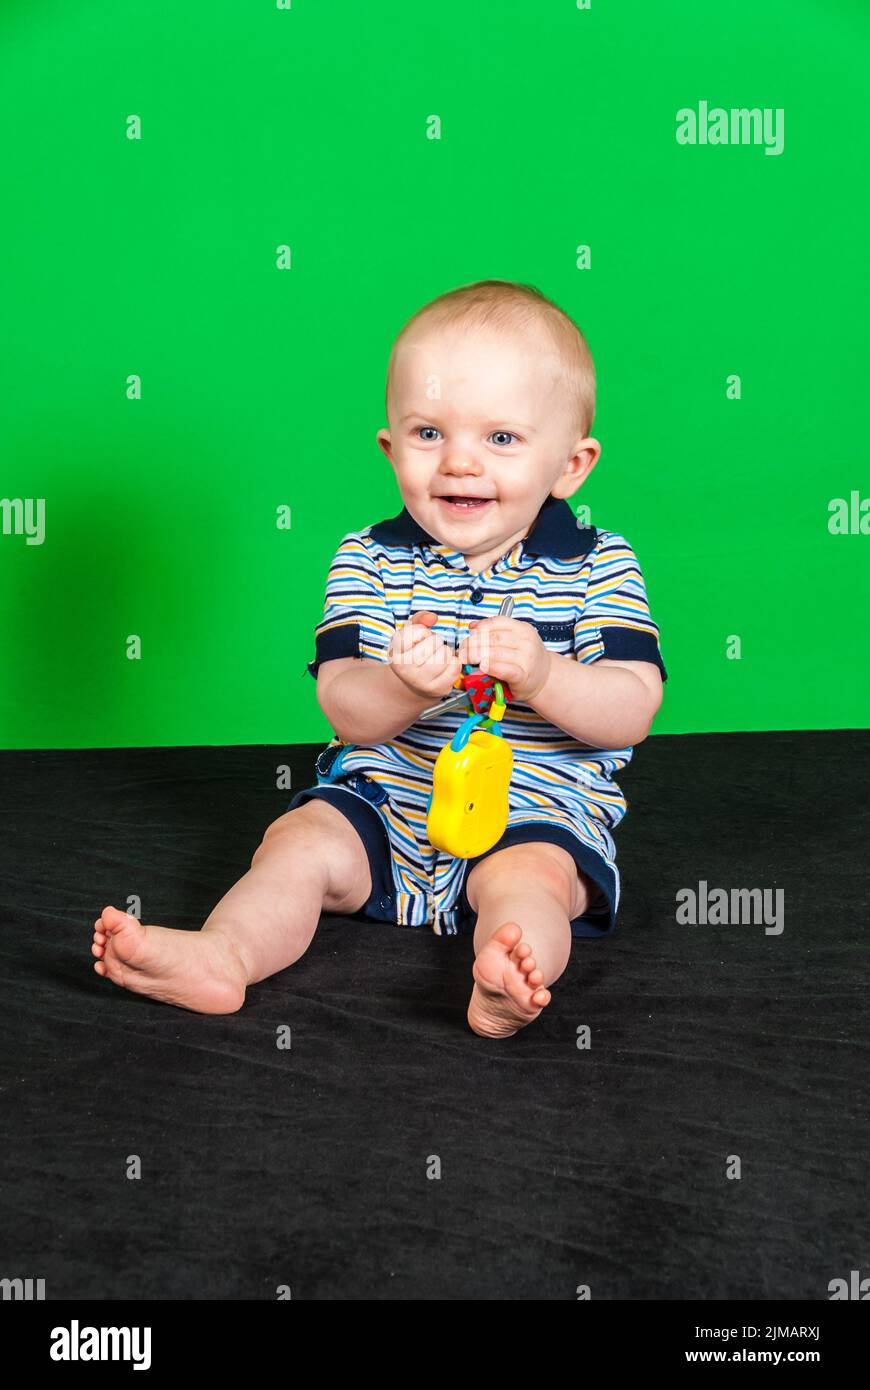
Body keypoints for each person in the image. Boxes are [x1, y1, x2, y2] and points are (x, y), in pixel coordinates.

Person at [91, 279, 668, 1038]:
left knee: (533, 884)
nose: (459, 464)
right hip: (382, 804)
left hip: (532, 812)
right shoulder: (368, 558)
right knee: (295, 845)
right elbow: (345, 708)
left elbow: (632, 706)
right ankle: (224, 955)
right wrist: (402, 685)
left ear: (571, 465)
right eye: (430, 434)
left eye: (500, 438)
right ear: (390, 447)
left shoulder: (601, 564)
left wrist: (545, 675)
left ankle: (506, 972)